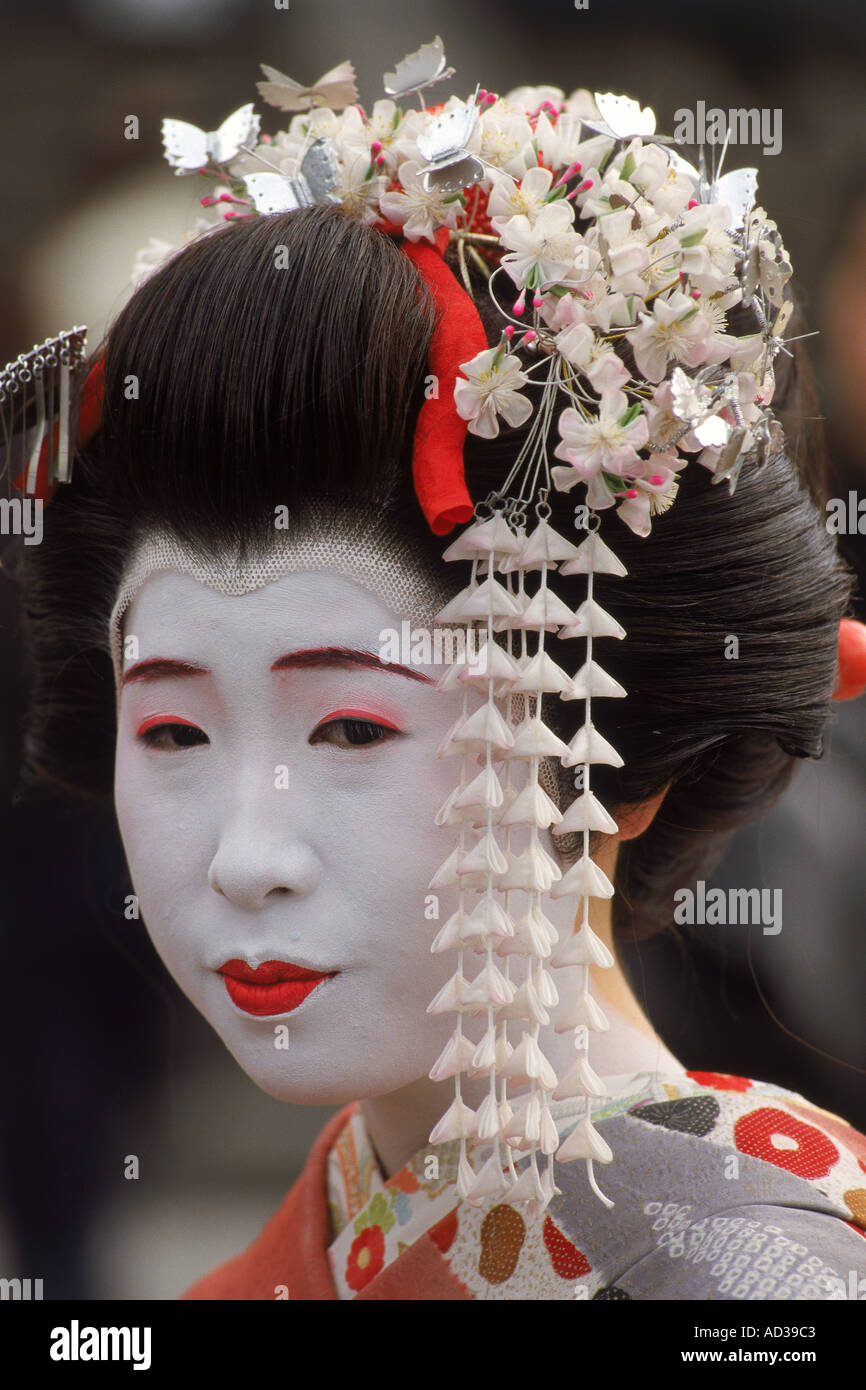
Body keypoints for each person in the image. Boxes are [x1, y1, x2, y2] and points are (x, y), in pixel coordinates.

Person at [9, 58, 866, 1300]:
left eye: (352, 728)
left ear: (614, 756)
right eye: (175, 733)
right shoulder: (293, 1261)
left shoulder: (767, 1273)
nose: (245, 857)